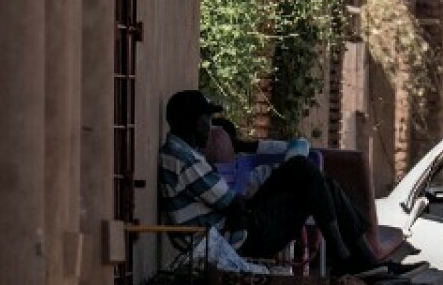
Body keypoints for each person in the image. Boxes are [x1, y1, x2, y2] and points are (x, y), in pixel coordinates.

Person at [157, 89, 379, 274]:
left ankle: (360, 258)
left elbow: (233, 203)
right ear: (190, 122)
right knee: (304, 171)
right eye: (205, 119)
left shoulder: (181, 153)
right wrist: (255, 202)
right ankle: (352, 257)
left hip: (234, 229)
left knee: (316, 180)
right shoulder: (184, 160)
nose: (209, 126)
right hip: (237, 240)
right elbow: (232, 203)